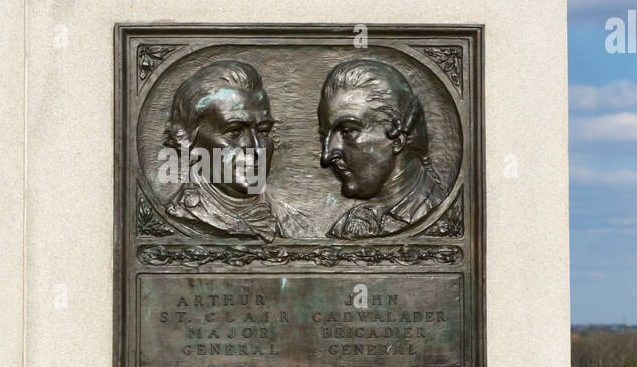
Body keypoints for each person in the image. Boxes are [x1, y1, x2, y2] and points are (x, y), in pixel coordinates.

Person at [160, 60, 311, 241]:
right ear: (188, 142)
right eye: (234, 132)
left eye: (263, 131)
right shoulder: (174, 220)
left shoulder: (299, 227)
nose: (256, 148)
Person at [318, 59, 448, 239]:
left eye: (347, 131)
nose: (326, 155)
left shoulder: (441, 219)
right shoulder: (345, 226)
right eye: (324, 136)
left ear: (397, 138)